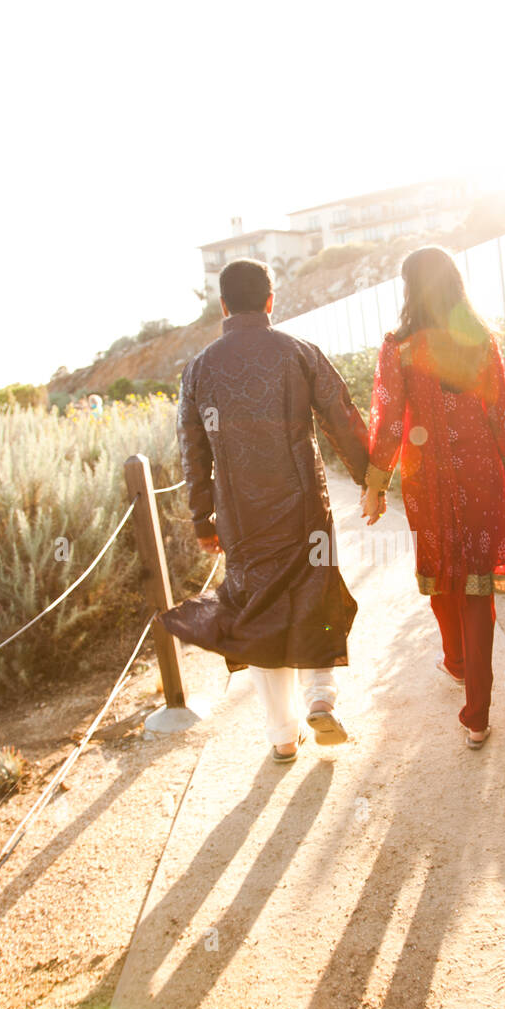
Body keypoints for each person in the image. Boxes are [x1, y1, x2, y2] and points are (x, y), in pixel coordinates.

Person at [157, 258, 369, 762]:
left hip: (242, 517)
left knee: (259, 614)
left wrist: (203, 518)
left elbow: (194, 451)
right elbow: (340, 414)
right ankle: (321, 697)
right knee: (315, 592)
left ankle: (281, 734)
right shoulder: (298, 352)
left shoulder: (198, 369)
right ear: (271, 301)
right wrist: (369, 479)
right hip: (305, 509)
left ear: (224, 306)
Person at [361, 245, 505, 748]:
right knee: (475, 585)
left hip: (428, 482)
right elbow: (501, 416)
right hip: (482, 478)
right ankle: (477, 709)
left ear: (409, 289)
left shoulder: (398, 347)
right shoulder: (481, 342)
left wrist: (375, 485)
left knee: (446, 578)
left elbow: (389, 425)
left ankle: (463, 672)